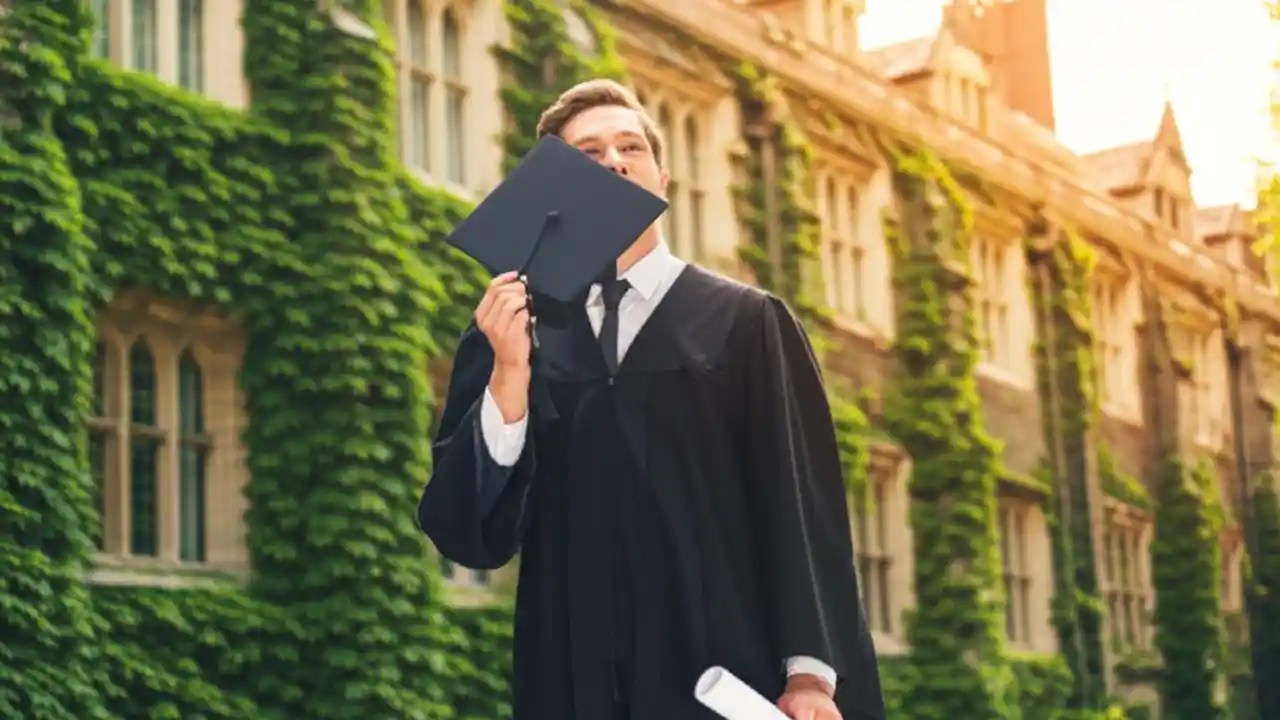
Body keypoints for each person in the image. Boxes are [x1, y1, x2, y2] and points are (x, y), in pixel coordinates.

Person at [418, 78, 884, 720]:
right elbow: (469, 533)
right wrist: (508, 377)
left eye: (630, 147)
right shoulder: (510, 332)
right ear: (554, 187)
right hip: (570, 675)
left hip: (721, 673)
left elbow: (801, 507)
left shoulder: (746, 322)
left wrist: (808, 675)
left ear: (661, 177)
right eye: (587, 154)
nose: (613, 161)